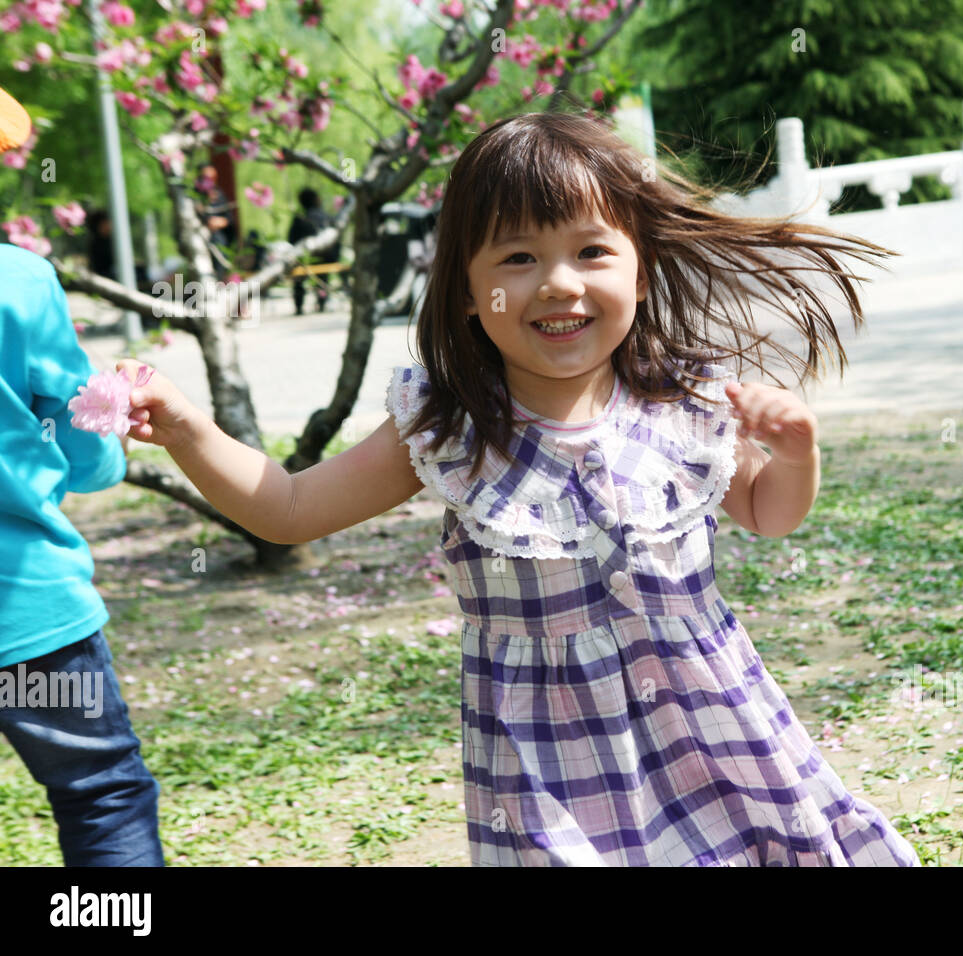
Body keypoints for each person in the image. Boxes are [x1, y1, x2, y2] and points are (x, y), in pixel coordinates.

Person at [116, 111, 919, 867]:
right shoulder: (446, 430)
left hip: (711, 727)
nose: (559, 284)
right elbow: (288, 510)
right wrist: (189, 429)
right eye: (518, 258)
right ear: (468, 292)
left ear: (641, 272)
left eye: (592, 253)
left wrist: (795, 455)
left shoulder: (686, 403)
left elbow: (767, 514)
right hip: (549, 767)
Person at [0, 85, 166, 866]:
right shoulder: (20, 283)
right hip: (27, 615)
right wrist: (109, 415)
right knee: (100, 793)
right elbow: (89, 457)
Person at [287, 187, 340, 315]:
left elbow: (291, 239)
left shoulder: (299, 218)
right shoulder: (326, 217)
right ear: (316, 200)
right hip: (326, 258)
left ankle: (299, 306)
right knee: (323, 275)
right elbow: (337, 240)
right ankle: (321, 302)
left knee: (298, 277)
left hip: (304, 259)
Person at [194, 164, 233, 280]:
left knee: (220, 245)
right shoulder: (196, 195)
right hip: (201, 234)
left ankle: (220, 279)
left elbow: (229, 218)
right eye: (207, 178)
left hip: (218, 236)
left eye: (213, 178)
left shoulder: (219, 193)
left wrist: (221, 221)